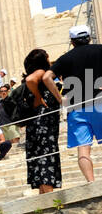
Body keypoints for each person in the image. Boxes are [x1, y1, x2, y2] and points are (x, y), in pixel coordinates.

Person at [47, 25, 102, 182]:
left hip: (76, 105)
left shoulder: (66, 58)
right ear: (89, 38)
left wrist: (60, 99)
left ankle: (91, 183)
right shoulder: (100, 49)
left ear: (72, 41)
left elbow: (47, 77)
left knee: (83, 149)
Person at [22, 48, 62, 194]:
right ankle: (50, 198)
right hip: (43, 122)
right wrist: (39, 97)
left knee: (40, 158)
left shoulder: (38, 74)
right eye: (46, 56)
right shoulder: (41, 72)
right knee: (47, 157)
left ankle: (43, 196)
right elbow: (30, 80)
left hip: (36, 124)